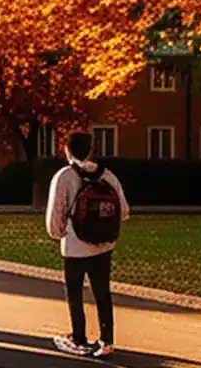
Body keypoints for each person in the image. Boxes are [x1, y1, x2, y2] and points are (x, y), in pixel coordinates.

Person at [47, 130, 130, 358]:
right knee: (102, 291)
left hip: (75, 245)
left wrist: (59, 234)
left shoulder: (65, 176)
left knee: (75, 293)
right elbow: (124, 211)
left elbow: (56, 215)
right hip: (103, 245)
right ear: (91, 150)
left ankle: (78, 337)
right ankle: (107, 339)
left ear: (67, 150)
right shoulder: (107, 176)